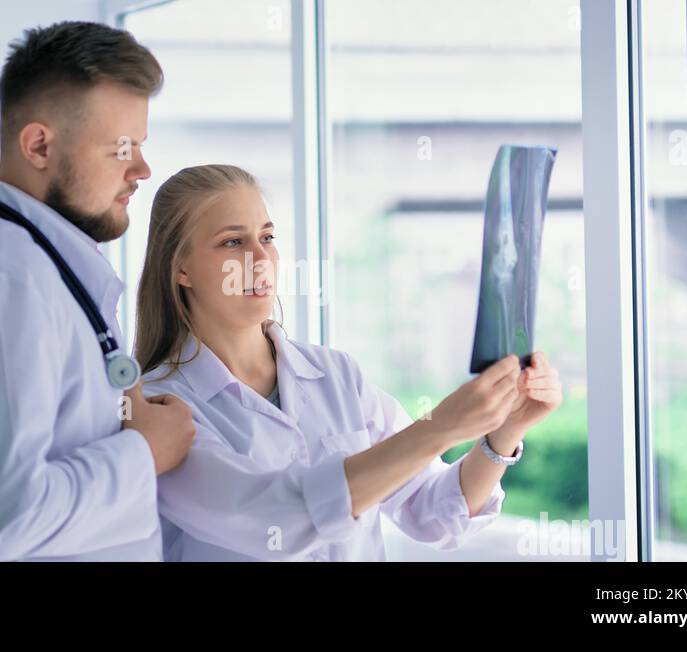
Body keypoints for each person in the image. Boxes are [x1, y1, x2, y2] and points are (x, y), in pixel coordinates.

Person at [138, 164, 563, 561]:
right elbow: (275, 519)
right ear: (182, 269)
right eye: (233, 242)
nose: (261, 258)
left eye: (267, 237)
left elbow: (434, 512)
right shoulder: (158, 409)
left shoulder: (336, 377)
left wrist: (503, 433)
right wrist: (440, 428)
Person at [0, 22, 194, 562]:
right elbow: (6, 521)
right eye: (122, 149)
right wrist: (144, 453)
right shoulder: (1, 279)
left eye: (141, 146)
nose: (143, 170)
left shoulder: (30, 259)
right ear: (39, 145)